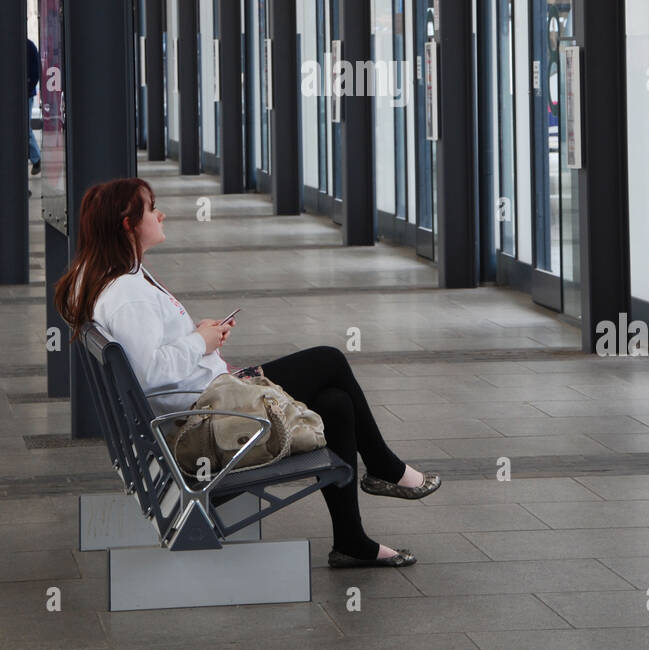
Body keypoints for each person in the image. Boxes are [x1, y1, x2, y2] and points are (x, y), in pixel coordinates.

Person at [55, 177, 441, 568]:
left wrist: (198, 335)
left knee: (336, 404)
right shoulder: (127, 294)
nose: (161, 213)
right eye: (151, 208)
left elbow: (149, 356)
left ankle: (351, 541)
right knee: (329, 359)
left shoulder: (115, 278)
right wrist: (200, 342)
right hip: (207, 418)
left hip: (208, 399)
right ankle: (384, 468)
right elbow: (151, 373)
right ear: (127, 224)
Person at [27, 37, 41, 176]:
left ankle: (36, 158)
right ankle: (35, 158)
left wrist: (28, 88)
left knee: (25, 128)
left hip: (26, 95)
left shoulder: (28, 46)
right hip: (27, 93)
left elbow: (36, 72)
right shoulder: (29, 46)